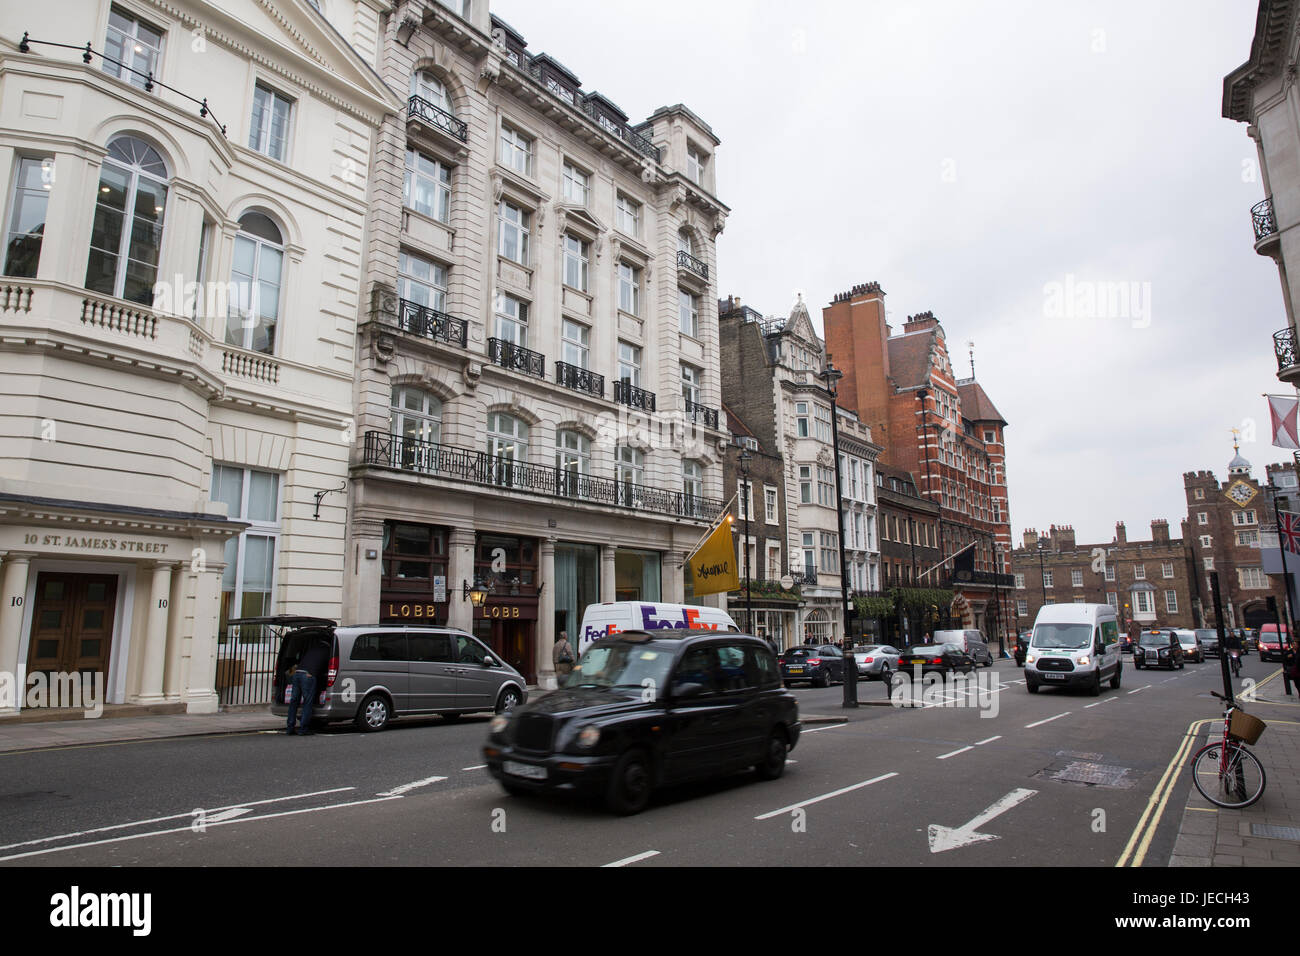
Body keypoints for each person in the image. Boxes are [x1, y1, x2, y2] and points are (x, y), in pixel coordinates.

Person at [286, 634, 330, 736]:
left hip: (297, 673)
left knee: (294, 701)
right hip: (308, 675)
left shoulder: (312, 649)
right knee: (308, 702)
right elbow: (327, 667)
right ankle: (303, 728)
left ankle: (290, 727)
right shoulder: (327, 651)